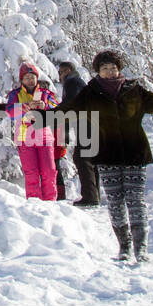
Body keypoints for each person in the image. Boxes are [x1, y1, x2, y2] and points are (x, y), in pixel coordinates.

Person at [57, 49, 153, 264]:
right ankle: (125, 246)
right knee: (115, 202)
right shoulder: (90, 93)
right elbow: (67, 109)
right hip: (107, 155)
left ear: (119, 69)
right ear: (98, 71)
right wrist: (40, 117)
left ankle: (141, 247)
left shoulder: (134, 91)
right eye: (105, 68)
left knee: (135, 200)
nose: (110, 72)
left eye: (113, 68)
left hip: (134, 153)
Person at [5, 62, 60, 200]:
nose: (30, 80)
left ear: (37, 78)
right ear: (22, 80)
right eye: (27, 78)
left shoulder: (45, 93)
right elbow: (9, 112)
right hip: (25, 137)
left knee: (49, 171)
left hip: (44, 136)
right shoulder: (15, 94)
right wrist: (24, 107)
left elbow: (58, 109)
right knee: (31, 173)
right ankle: (34, 202)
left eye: (32, 77)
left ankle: (50, 202)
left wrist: (45, 105)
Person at [59, 60, 100, 206]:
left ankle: (90, 197)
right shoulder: (76, 82)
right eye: (60, 72)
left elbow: (70, 105)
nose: (61, 75)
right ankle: (94, 195)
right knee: (88, 158)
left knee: (82, 158)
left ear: (69, 71)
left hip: (86, 122)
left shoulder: (72, 82)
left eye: (63, 71)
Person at [39, 76, 67, 199]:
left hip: (54, 138)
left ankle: (58, 194)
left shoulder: (49, 99)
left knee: (54, 167)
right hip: (51, 138)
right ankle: (53, 192)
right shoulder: (51, 99)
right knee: (52, 167)